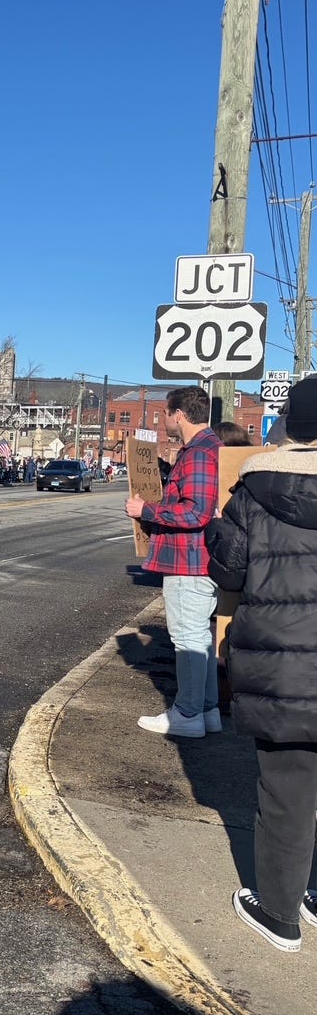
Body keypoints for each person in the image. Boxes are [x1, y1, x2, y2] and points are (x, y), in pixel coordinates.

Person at [204, 374, 317, 951]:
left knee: (286, 788)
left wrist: (219, 530)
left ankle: (279, 912)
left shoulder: (253, 487)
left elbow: (229, 574)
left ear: (289, 424)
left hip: (281, 666)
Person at [125, 384, 223, 738]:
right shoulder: (210, 448)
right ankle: (206, 710)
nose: (164, 419)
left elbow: (196, 512)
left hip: (189, 560)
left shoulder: (198, 454)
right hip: (198, 559)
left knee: (188, 638)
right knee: (200, 637)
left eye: (165, 413)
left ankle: (187, 714)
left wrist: (146, 510)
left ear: (179, 414)